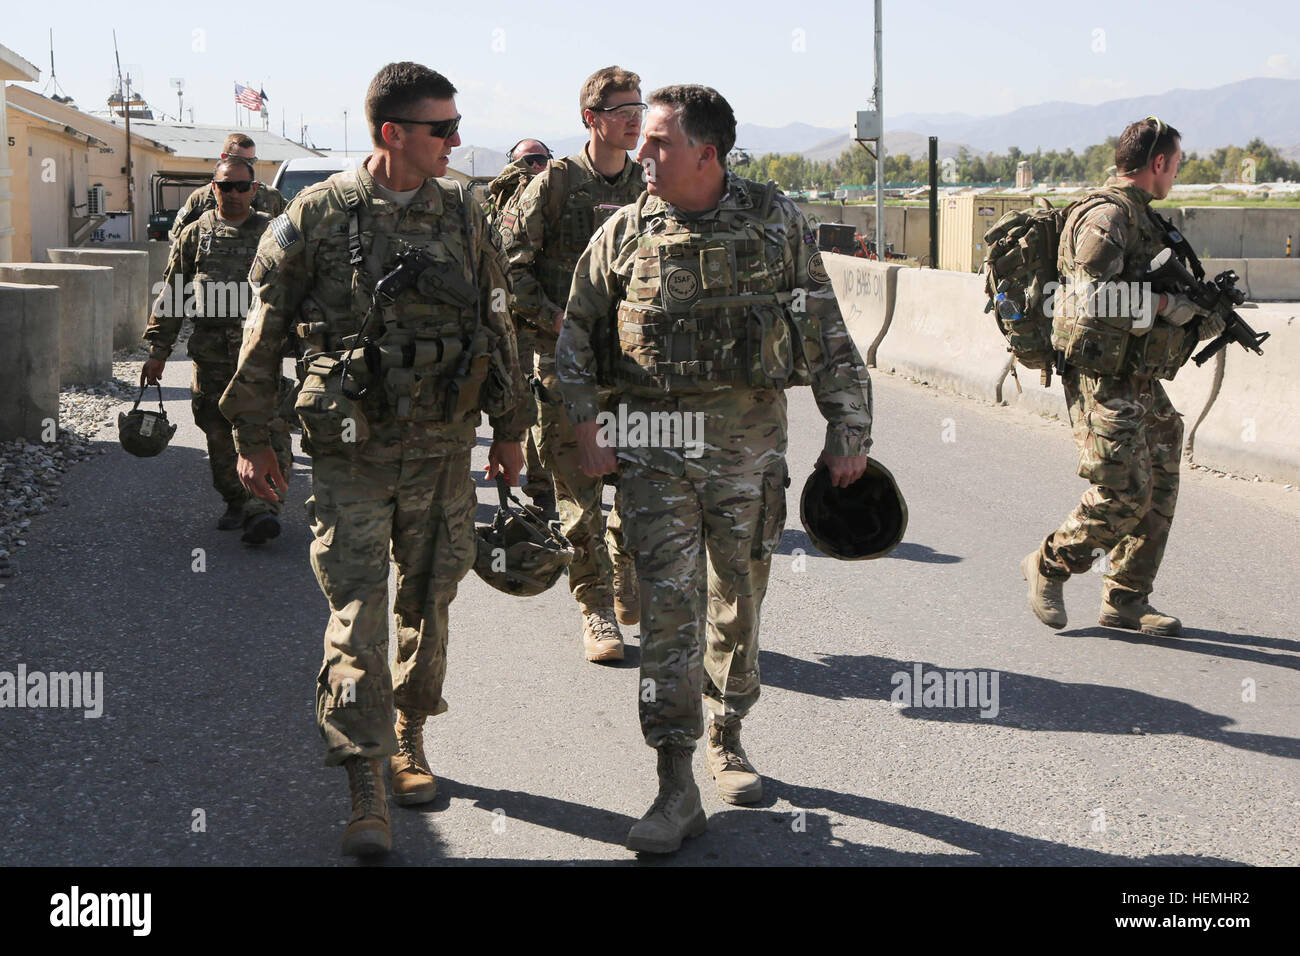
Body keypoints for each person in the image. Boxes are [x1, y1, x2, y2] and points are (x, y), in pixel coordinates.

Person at [219, 61, 529, 857]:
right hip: (351, 453)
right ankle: (363, 777)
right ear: (393, 134)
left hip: (444, 452)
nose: (457, 142)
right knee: (356, 617)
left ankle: (409, 734)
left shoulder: (466, 210)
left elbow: (498, 321)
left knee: (428, 603)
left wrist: (513, 428)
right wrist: (255, 438)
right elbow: (266, 331)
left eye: (457, 127)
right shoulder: (318, 217)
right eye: (442, 129)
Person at [557, 84, 873, 853]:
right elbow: (576, 333)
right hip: (652, 454)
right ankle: (674, 781)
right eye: (643, 142)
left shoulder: (776, 223)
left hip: (748, 454)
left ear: (707, 153)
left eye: (659, 143)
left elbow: (826, 329)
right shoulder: (626, 231)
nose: (643, 154)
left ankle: (728, 731)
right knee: (670, 609)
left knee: (741, 598)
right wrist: (584, 422)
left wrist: (849, 428)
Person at [1022, 117, 1223, 638]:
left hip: (1136, 377)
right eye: (1176, 164)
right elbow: (1085, 300)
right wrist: (1164, 305)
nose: (1176, 173)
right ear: (1158, 162)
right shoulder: (1107, 217)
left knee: (1159, 477)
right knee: (1123, 488)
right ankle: (1048, 564)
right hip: (1099, 376)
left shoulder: (1145, 218)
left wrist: (1200, 315)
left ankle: (1127, 598)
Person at [502, 66, 647, 662]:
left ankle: (623, 569)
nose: (635, 118)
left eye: (639, 106)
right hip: (565, 367)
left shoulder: (649, 184)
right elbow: (507, 264)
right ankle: (595, 609)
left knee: (641, 486)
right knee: (578, 492)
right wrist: (555, 319)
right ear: (591, 118)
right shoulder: (557, 183)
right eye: (622, 109)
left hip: (634, 370)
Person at [142, 157, 292, 543]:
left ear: (255, 190)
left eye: (243, 186)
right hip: (211, 355)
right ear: (214, 189)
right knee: (217, 430)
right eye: (227, 187)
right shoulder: (195, 234)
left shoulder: (274, 234)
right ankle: (237, 500)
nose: (235, 194)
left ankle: (265, 506)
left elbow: (299, 287)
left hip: (260, 355)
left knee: (271, 427)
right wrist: (159, 350)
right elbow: (174, 293)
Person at [485, 138, 556, 515]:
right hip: (515, 319)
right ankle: (532, 486)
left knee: (543, 400)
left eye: (543, 158)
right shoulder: (506, 200)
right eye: (530, 159)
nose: (538, 165)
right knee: (522, 399)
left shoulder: (556, 195)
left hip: (545, 316)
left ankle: (541, 483)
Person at [169, 133, 286, 242]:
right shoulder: (201, 198)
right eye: (241, 161)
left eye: (251, 161)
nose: (247, 166)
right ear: (224, 157)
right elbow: (178, 239)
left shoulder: (271, 196)